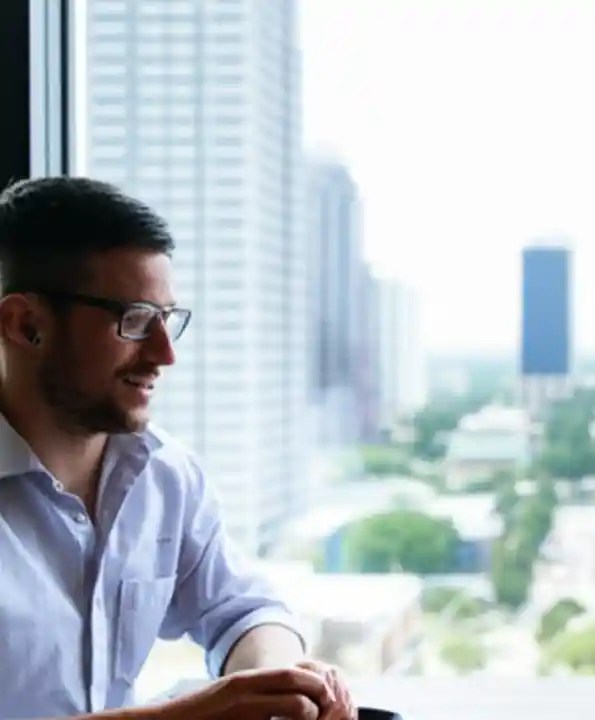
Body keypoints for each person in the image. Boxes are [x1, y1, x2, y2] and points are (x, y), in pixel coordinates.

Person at [0, 177, 356, 720]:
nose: (165, 354)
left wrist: (278, 682)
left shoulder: (163, 474)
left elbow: (244, 610)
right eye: (135, 321)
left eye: (166, 320)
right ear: (26, 325)